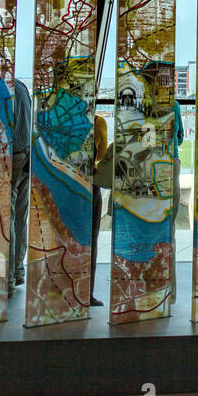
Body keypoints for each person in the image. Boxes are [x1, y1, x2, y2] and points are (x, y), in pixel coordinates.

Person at [7, 78, 33, 288]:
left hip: (12, 154)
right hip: (27, 155)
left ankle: (7, 275)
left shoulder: (2, 89)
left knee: (7, 216)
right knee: (20, 215)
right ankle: (18, 269)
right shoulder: (22, 87)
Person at [90, 111, 112, 307]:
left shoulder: (54, 118)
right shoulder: (98, 122)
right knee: (90, 241)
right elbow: (103, 153)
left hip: (62, 180)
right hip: (88, 184)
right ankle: (86, 292)